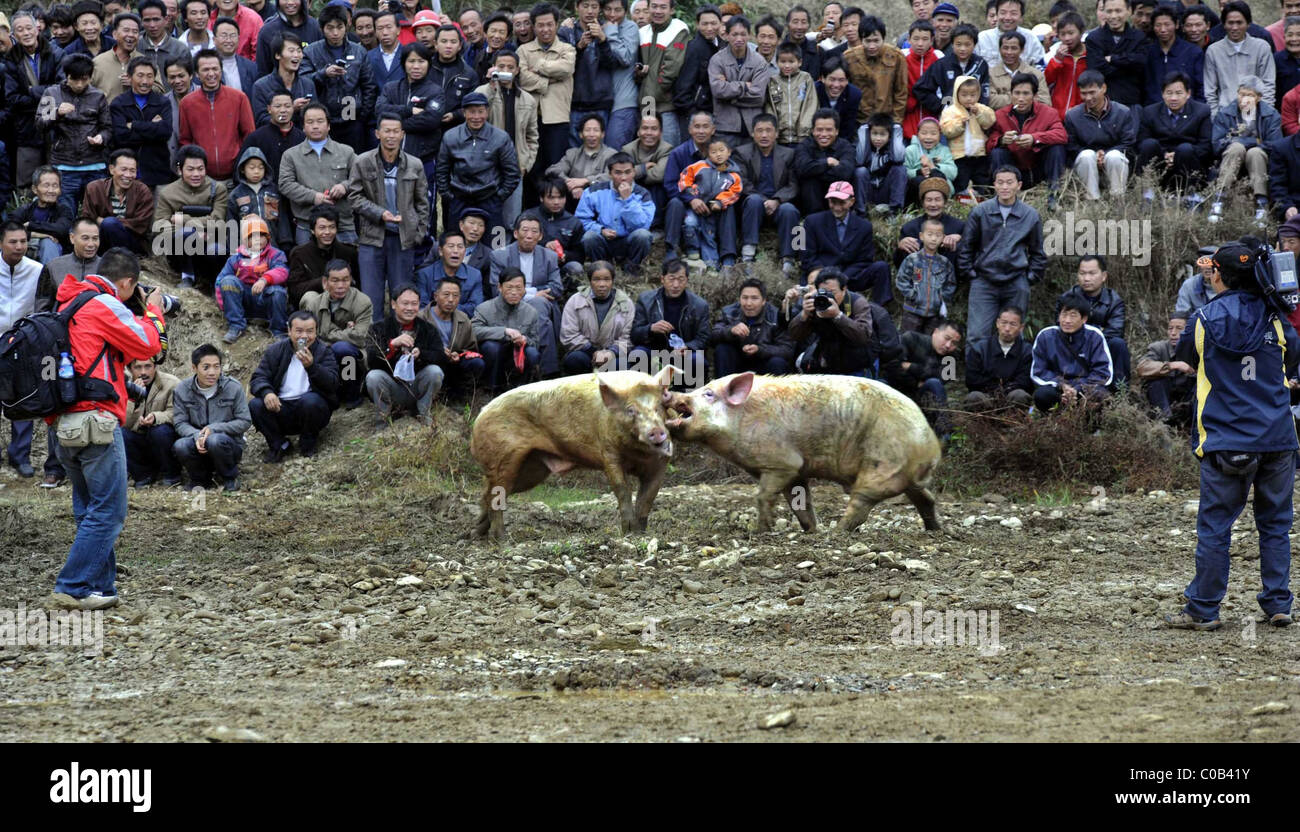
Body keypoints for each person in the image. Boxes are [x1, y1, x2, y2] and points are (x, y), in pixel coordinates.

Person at [1165, 242, 1299, 631]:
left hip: (1226, 440)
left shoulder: (1203, 318)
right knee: (1275, 525)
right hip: (1276, 438)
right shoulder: (1277, 318)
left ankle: (1204, 609)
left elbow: (1186, 360)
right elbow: (1292, 360)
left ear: (1217, 275)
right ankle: (1278, 604)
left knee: (1215, 527)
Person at [45, 247, 163, 611]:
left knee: (90, 509)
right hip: (95, 422)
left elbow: (114, 354)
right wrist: (154, 311)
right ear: (127, 283)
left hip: (64, 422)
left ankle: (100, 586)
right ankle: (73, 585)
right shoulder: (103, 304)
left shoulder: (67, 304)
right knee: (109, 511)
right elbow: (148, 344)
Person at [348, 111, 430, 323]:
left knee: (401, 295)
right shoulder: (362, 161)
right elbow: (354, 197)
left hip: (403, 239)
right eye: (387, 131)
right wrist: (379, 213)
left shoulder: (415, 164)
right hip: (372, 237)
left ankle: (401, 344)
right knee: (371, 297)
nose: (391, 136)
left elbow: (423, 202)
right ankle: (373, 344)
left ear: (402, 134)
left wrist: (418, 232)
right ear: (377, 133)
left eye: (396, 131)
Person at [957, 165, 1046, 342]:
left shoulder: (1030, 215)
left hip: (1016, 282)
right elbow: (966, 247)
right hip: (984, 281)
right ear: (994, 185)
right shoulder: (980, 212)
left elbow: (1038, 252)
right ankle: (977, 370)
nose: (1005, 187)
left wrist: (1029, 278)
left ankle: (1012, 370)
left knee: (1012, 335)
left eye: (1009, 182)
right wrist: (971, 273)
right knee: (977, 335)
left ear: (1019, 185)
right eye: (1000, 182)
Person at [0, 223, 56, 481]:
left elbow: (44, 305)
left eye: (23, 241)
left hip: (21, 344)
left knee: (22, 401)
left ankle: (20, 456)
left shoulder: (37, 270)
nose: (19, 246)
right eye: (13, 241)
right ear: (2, 243)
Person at [248, 309, 339, 462]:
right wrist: (267, 392)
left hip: (311, 409)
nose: (304, 336)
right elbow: (258, 377)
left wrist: (312, 367)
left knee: (310, 401)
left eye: (310, 331)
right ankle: (279, 444)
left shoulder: (324, 351)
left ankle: (308, 442)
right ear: (289, 331)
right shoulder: (276, 350)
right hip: (281, 407)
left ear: (316, 332)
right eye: (299, 331)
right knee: (255, 405)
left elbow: (333, 384)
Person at [437, 91, 522, 238]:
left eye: (480, 112)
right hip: (459, 198)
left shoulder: (500, 137)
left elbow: (512, 173)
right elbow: (442, 170)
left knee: (497, 242)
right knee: (454, 242)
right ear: (464, 113)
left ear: (487, 112)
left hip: (490, 198)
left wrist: (499, 196)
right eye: (472, 112)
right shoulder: (450, 136)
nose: (476, 117)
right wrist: (448, 195)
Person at [786, 266, 897, 377]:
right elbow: (794, 336)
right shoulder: (816, 302)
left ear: (844, 289)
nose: (828, 297)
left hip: (860, 363)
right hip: (830, 362)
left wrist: (838, 316)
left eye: (832, 292)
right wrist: (804, 315)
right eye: (823, 292)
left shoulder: (857, 303)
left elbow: (863, 337)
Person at [488, 213, 563, 375]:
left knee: (541, 305)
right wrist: (531, 294)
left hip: (538, 306)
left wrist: (530, 294)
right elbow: (496, 289)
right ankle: (541, 364)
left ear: (541, 236)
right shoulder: (500, 255)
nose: (529, 235)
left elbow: (557, 288)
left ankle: (534, 361)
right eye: (525, 230)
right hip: (509, 304)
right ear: (515, 233)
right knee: (544, 316)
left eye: (534, 231)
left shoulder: (549, 256)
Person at [37, 54, 111, 215]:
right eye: (74, 79)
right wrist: (57, 113)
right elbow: (39, 124)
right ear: (66, 76)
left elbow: (107, 127)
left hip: (94, 164)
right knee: (65, 213)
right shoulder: (52, 93)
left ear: (91, 77)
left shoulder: (98, 96)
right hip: (64, 164)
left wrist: (101, 137)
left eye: (84, 79)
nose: (79, 84)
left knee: (96, 213)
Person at [364, 282, 446, 428]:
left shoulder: (428, 329)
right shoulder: (378, 328)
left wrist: (421, 354)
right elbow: (371, 360)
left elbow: (440, 356)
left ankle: (423, 412)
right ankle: (383, 417)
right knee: (373, 377)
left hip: (417, 386)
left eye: (414, 304)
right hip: (392, 386)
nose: (410, 308)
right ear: (394, 304)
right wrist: (392, 345)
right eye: (405, 303)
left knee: (435, 372)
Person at [170, 342, 249, 492]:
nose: (212, 372)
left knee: (215, 439)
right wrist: (196, 435)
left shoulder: (233, 387)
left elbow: (245, 421)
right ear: (194, 368)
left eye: (216, 366)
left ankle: (229, 478)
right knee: (180, 445)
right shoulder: (182, 389)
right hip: (198, 442)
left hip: (227, 443)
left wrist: (214, 429)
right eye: (206, 367)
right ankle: (200, 480)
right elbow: (180, 423)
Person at [300, 2, 377, 152]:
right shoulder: (311, 51)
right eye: (330, 28)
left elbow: (369, 86)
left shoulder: (359, 51)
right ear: (322, 29)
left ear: (346, 26)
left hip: (353, 118)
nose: (335, 33)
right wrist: (323, 74)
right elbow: (304, 81)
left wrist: (362, 116)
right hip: (323, 119)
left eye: (339, 27)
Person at [476, 49, 539, 228]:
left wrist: (527, 162)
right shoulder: (483, 92)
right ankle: (488, 253)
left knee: (512, 218)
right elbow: (476, 118)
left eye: (510, 67)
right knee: (487, 216)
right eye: (501, 66)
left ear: (517, 70)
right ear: (493, 67)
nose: (505, 70)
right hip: (487, 165)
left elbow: (532, 135)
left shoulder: (527, 99)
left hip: (515, 165)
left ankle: (507, 253)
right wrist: (491, 86)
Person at [663, 112, 737, 264]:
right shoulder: (679, 153)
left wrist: (718, 200)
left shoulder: (721, 152)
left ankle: (728, 257)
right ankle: (671, 250)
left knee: (728, 206)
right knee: (674, 203)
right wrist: (691, 199)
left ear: (713, 130)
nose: (701, 131)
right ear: (690, 129)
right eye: (697, 127)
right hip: (688, 204)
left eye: (705, 127)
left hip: (714, 202)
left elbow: (732, 180)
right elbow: (670, 185)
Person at [298, 258, 372, 409]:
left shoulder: (362, 302)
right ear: (325, 282)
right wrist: (343, 332)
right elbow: (302, 334)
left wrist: (323, 335)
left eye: (345, 280)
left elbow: (359, 337)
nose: (341, 286)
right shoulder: (314, 304)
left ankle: (352, 394)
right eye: (335, 280)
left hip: (353, 354)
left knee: (342, 349)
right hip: (321, 351)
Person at [800, 180, 891, 303]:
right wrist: (824, 274)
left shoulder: (864, 226)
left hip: (850, 276)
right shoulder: (812, 221)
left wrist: (842, 278)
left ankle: (879, 309)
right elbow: (806, 255)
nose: (837, 207)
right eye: (833, 202)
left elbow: (865, 259)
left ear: (851, 201)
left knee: (882, 268)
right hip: (821, 277)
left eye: (842, 202)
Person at [988, 72, 1067, 210]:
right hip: (1014, 169)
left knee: (1057, 148)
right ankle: (1003, 196)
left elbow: (1062, 135)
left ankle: (1053, 195)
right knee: (997, 153)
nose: (1020, 98)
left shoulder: (1048, 112)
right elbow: (989, 144)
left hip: (1039, 167)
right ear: (1010, 94)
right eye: (1016, 93)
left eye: (1026, 94)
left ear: (1035, 96)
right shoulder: (1000, 115)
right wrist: (1001, 140)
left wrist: (1035, 138)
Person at [153, 145, 228, 290]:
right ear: (179, 170)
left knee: (217, 250)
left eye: (200, 169)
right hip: (179, 247)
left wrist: (184, 220)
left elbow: (218, 221)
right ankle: (187, 276)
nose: (196, 174)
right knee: (185, 235)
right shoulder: (167, 193)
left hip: (210, 241)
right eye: (190, 169)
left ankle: (215, 285)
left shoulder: (218, 189)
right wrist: (195, 231)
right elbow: (160, 226)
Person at [734, 113, 800, 275]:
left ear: (777, 133)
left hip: (779, 204)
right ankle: (748, 253)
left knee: (790, 210)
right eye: (759, 131)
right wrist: (765, 200)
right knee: (754, 200)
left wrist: (777, 200)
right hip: (753, 206)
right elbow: (741, 182)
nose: (764, 135)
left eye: (769, 130)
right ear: (752, 133)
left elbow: (793, 184)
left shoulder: (789, 154)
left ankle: (789, 259)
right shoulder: (742, 153)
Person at [518, 3, 577, 182]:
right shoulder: (523, 50)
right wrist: (549, 80)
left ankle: (555, 208)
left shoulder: (567, 49)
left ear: (556, 24)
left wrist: (537, 66)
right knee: (531, 168)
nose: (545, 29)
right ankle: (531, 209)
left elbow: (566, 68)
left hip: (557, 118)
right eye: (540, 25)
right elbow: (521, 78)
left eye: (549, 24)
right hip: (530, 119)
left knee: (555, 169)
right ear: (534, 26)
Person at [1208, 76, 1280, 223]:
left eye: (1250, 95)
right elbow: (1217, 144)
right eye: (1242, 94)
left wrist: (1247, 144)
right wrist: (1253, 141)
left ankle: (1261, 204)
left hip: (1259, 161)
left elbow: (1275, 145)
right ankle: (1219, 200)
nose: (1245, 99)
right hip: (1232, 157)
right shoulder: (1225, 113)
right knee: (1236, 147)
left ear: (1259, 98)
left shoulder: (1271, 115)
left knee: (1255, 153)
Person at [6, 11, 64, 192]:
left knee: (57, 179)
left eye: (29, 28)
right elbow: (13, 99)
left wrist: (33, 91)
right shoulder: (10, 60)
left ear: (37, 29)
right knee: (26, 182)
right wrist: (46, 94)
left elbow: (62, 88)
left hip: (57, 125)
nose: (25, 33)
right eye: (19, 30)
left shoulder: (56, 53)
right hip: (26, 127)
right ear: (13, 35)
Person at [178, 49, 255, 183]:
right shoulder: (187, 103)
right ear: (197, 74)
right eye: (205, 70)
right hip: (203, 179)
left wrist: (240, 162)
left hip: (235, 177)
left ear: (221, 70)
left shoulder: (239, 98)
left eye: (215, 69)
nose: (211, 74)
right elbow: (185, 140)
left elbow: (249, 135)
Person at [630, 258, 710, 386]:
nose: (676, 285)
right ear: (662, 279)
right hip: (654, 351)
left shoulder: (699, 305)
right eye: (671, 279)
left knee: (697, 360)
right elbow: (634, 334)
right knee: (638, 354)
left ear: (687, 281)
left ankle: (685, 396)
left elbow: (703, 338)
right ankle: (643, 394)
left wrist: (687, 347)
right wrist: (651, 329)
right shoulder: (646, 300)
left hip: (683, 353)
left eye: (681, 279)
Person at [1135, 71, 1213, 201]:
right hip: (1161, 163)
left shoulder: (1202, 111)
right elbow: (1141, 143)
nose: (1173, 98)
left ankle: (1192, 196)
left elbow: (1205, 146)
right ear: (1162, 94)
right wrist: (1166, 155)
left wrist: (1177, 156)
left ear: (1188, 94)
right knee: (1148, 144)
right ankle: (1148, 194)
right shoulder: (1150, 112)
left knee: (1186, 148)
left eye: (1178, 93)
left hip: (1189, 164)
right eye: (1169, 93)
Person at [576, 152, 655, 278]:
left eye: (628, 172)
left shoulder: (643, 194)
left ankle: (631, 270)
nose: (623, 177)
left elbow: (643, 225)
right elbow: (581, 220)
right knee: (589, 237)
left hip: (629, 239)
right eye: (618, 173)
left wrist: (628, 200)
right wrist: (601, 230)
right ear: (610, 174)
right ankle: (602, 268)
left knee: (643, 235)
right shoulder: (593, 191)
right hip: (604, 240)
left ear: (634, 172)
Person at [1029, 294, 1113, 412]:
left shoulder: (1095, 336)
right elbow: (1038, 372)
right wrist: (1062, 385)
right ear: (1058, 316)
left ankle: (1091, 426)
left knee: (1101, 396)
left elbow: (1103, 373)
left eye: (1073, 316)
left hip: (1085, 388)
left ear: (1084, 318)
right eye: (1064, 315)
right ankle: (1055, 423)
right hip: (1058, 389)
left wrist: (1078, 389)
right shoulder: (1045, 336)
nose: (1067, 321)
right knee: (1042, 395)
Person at [1056, 254, 1130, 387]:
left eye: (1092, 273)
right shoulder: (1067, 298)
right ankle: (1061, 385)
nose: (1086, 278)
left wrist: (1090, 341)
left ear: (1104, 276)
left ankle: (1119, 391)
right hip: (1072, 345)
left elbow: (1115, 332)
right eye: (1082, 273)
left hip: (1101, 347)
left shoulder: (1114, 301)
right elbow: (1060, 327)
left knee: (1118, 344)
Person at [1064, 70, 1137, 201]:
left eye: (1092, 92)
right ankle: (1092, 200)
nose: (1087, 98)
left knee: (1114, 156)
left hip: (1114, 162)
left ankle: (1117, 199)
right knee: (1086, 155)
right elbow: (1071, 146)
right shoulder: (1072, 116)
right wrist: (1094, 155)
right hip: (1087, 165)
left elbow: (1129, 143)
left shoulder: (1122, 112)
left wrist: (1105, 154)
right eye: (1083, 93)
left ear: (1103, 88)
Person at [216, 214, 289, 343]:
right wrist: (225, 305)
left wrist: (265, 279)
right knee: (228, 281)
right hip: (243, 301)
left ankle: (278, 331)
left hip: (265, 300)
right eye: (252, 236)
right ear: (245, 239)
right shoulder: (236, 258)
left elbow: (282, 271)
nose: (257, 240)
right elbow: (219, 281)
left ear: (268, 237)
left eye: (261, 235)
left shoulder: (276, 254)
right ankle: (236, 326)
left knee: (278, 292)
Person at [887, 320, 962, 438]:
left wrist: (911, 366)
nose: (948, 345)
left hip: (923, 399)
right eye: (946, 338)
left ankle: (944, 433)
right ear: (936, 332)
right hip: (896, 391)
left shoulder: (952, 357)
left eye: (954, 343)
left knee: (934, 383)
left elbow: (942, 380)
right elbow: (893, 366)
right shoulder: (910, 338)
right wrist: (916, 382)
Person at [472, 267, 541, 392]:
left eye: (519, 288)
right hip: (493, 356)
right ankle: (491, 389)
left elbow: (535, 341)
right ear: (500, 287)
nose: (514, 292)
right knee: (491, 347)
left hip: (515, 356)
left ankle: (521, 390)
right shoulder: (484, 308)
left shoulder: (531, 312)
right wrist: (504, 331)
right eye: (509, 287)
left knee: (532, 353)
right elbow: (474, 331)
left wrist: (524, 339)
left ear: (525, 289)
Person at [559, 260, 635, 374]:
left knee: (622, 365)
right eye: (596, 279)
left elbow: (628, 337)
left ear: (612, 281)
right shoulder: (575, 301)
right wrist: (593, 352)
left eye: (606, 279)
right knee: (574, 360)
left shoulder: (626, 303)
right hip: (585, 352)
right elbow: (569, 335)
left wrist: (611, 352)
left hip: (613, 355)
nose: (602, 284)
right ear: (590, 281)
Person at [108, 57, 174, 189]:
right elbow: (121, 137)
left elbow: (165, 132)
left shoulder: (162, 102)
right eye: (140, 76)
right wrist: (153, 128)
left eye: (150, 76)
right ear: (130, 77)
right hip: (129, 172)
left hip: (158, 171)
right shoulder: (119, 103)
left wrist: (134, 125)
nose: (145, 81)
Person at [677, 137, 742, 269]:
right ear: (707, 154)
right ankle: (692, 250)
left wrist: (720, 201)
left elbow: (735, 192)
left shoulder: (734, 175)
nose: (718, 154)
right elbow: (684, 178)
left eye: (721, 150)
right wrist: (692, 194)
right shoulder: (699, 166)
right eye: (713, 152)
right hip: (696, 206)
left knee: (709, 235)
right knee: (690, 223)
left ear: (729, 152)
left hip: (713, 210)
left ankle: (711, 265)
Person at [560, 0, 617, 150]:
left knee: (600, 150)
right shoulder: (567, 30)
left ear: (600, 9)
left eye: (594, 7)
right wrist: (579, 47)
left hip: (601, 101)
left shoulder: (608, 28)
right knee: (574, 150)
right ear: (577, 7)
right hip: (575, 103)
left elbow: (612, 64)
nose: (590, 11)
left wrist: (603, 40)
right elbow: (565, 67)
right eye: (585, 6)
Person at [709, 276, 793, 376]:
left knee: (778, 362)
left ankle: (775, 392)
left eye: (754, 298)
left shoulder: (775, 316)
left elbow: (787, 349)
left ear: (763, 301)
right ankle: (724, 390)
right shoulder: (729, 312)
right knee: (722, 349)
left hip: (764, 363)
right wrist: (731, 331)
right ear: (739, 299)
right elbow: (712, 336)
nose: (748, 303)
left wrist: (760, 350)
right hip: (736, 361)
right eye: (745, 298)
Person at [708, 15, 771, 147]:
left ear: (749, 36)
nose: (739, 39)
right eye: (734, 34)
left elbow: (759, 96)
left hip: (751, 127)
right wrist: (744, 86)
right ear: (727, 35)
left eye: (743, 34)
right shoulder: (717, 60)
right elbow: (718, 91)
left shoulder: (759, 62)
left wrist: (730, 97)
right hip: (725, 127)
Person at [1204, 1, 1275, 116]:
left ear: (1248, 24)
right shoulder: (1214, 51)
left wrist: (1264, 115)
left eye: (1239, 23)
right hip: (1225, 114)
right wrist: (1216, 117)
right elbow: (1210, 91)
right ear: (1224, 24)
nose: (1235, 27)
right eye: (1230, 23)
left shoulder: (1262, 47)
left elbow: (1268, 85)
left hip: (1256, 113)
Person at [419, 278, 486, 399]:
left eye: (455, 296)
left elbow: (471, 348)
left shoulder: (463, 318)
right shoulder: (422, 318)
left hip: (453, 364)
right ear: (435, 296)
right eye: (446, 295)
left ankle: (460, 398)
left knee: (476, 363)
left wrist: (459, 354)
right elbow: (414, 347)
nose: (450, 300)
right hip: (430, 363)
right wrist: (437, 351)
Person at [637, 0, 690, 148]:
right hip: (647, 102)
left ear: (671, 10)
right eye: (654, 6)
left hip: (665, 104)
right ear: (648, 8)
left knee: (668, 150)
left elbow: (670, 70)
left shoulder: (678, 30)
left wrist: (649, 99)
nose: (658, 11)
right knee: (647, 150)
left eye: (663, 7)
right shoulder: (643, 32)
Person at [286, 204, 359, 309]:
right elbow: (294, 291)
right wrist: (323, 282)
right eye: (322, 228)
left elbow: (357, 284)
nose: (327, 232)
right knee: (310, 297)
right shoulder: (299, 253)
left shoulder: (348, 252)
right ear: (312, 230)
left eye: (332, 227)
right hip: (313, 308)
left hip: (342, 302)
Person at [122, 355, 180, 488]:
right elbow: (123, 422)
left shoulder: (172, 383)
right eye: (138, 367)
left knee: (160, 431)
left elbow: (177, 414)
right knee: (120, 433)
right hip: (139, 438)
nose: (143, 372)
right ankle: (143, 476)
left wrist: (156, 418)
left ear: (155, 367)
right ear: (130, 369)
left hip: (163, 440)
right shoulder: (124, 386)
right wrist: (133, 398)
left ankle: (171, 475)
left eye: (148, 366)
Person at [963, 304, 1033, 409]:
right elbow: (972, 380)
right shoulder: (980, 348)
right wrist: (995, 390)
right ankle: (982, 423)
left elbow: (1025, 381)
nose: (1007, 328)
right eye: (1004, 323)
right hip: (986, 396)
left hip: (1012, 397)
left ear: (1021, 327)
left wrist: (1005, 391)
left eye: (1013, 324)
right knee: (974, 397)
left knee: (1020, 395)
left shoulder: (1027, 351)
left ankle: (1012, 423)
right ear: (997, 323)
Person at [841, 15, 907, 127]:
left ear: (883, 38)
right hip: (858, 120)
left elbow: (901, 92)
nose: (872, 46)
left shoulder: (896, 56)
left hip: (886, 121)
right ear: (861, 40)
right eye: (867, 41)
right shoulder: (849, 58)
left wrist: (896, 122)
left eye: (876, 41)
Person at [915, 22, 988, 121]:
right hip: (949, 120)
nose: (963, 49)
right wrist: (942, 106)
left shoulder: (981, 64)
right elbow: (921, 89)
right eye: (958, 44)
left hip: (975, 117)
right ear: (952, 44)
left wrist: (980, 109)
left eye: (967, 45)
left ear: (974, 44)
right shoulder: (942, 65)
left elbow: (985, 91)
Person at [896, 216, 956, 334]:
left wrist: (941, 299)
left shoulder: (944, 263)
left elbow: (950, 284)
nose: (933, 239)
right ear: (921, 236)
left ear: (943, 238)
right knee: (907, 340)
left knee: (928, 343)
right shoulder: (912, 259)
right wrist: (913, 295)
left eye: (938, 236)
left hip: (934, 313)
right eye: (929, 235)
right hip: (912, 310)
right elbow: (901, 279)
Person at [793, 107, 856, 216]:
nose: (823, 134)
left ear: (836, 131)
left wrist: (814, 170)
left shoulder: (845, 146)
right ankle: (813, 220)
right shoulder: (804, 145)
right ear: (813, 131)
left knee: (812, 177)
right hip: (810, 201)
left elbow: (846, 173)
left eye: (829, 130)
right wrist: (828, 162)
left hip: (837, 198)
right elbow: (801, 169)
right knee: (809, 182)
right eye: (819, 129)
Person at [543, 112, 612, 210]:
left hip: (601, 203)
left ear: (603, 134)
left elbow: (612, 176)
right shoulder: (572, 154)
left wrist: (585, 181)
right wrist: (570, 184)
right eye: (587, 130)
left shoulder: (610, 154)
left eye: (596, 130)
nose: (591, 134)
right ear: (580, 134)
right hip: (573, 202)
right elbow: (552, 170)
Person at [940, 74, 996, 197]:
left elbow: (990, 121)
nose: (969, 99)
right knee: (961, 178)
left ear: (978, 94)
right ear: (956, 94)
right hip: (959, 154)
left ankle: (983, 196)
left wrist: (979, 113)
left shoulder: (982, 108)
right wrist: (959, 124)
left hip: (979, 153)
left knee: (981, 177)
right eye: (964, 95)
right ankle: (960, 198)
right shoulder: (950, 111)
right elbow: (946, 130)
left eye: (973, 95)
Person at [1136, 315, 1196, 425]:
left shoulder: (1197, 351)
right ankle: (1165, 422)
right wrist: (1172, 365)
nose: (1173, 333)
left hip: (1187, 402)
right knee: (1155, 382)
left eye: (1179, 328)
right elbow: (1142, 367)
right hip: (1162, 402)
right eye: (1170, 328)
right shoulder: (1158, 348)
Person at [1086, 0, 1146, 107]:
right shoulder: (1093, 39)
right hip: (1104, 103)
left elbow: (1140, 62)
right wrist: (1128, 65)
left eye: (1118, 11)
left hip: (1132, 101)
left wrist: (1113, 59)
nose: (1113, 16)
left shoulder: (1139, 37)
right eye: (1109, 11)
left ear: (1129, 11)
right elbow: (1096, 70)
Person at [7, 167, 73, 264]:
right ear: (35, 189)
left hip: (57, 254)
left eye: (55, 186)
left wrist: (30, 225)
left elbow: (61, 229)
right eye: (46, 185)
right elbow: (8, 230)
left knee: (48, 243)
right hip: (26, 250)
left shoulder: (64, 210)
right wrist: (37, 234)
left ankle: (49, 278)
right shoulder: (24, 210)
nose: (51, 190)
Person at [895, 177, 964, 268]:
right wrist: (900, 247)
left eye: (937, 200)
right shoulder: (909, 228)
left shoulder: (958, 226)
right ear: (922, 203)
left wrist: (961, 240)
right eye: (929, 200)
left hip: (948, 278)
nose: (933, 204)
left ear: (945, 202)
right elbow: (899, 263)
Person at [1144, 3, 1204, 105]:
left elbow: (1200, 87)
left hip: (1187, 110)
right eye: (1158, 25)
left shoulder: (1193, 52)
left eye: (1167, 24)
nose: (1163, 30)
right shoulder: (1147, 52)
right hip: (1154, 111)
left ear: (1176, 25)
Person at [602, 0, 642, 149]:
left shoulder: (630, 27)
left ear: (625, 11)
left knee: (615, 149)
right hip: (602, 101)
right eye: (608, 9)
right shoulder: (601, 25)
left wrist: (611, 33)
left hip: (624, 102)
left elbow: (625, 58)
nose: (612, 15)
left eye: (617, 10)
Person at [416, 228, 484, 312]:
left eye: (460, 247)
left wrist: (445, 307)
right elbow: (422, 307)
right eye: (451, 246)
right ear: (440, 251)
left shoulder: (474, 275)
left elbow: (476, 308)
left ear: (465, 251)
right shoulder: (424, 275)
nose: (456, 251)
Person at [621, 113, 671, 225]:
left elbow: (658, 175)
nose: (649, 133)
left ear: (661, 132)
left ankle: (654, 223)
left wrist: (634, 174)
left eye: (654, 129)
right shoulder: (628, 150)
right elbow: (622, 176)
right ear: (638, 132)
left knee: (658, 185)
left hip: (655, 192)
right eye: (645, 128)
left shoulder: (666, 149)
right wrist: (643, 169)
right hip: (632, 191)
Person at [765, 41, 817, 147]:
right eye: (783, 61)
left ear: (799, 62)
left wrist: (804, 128)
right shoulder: (773, 81)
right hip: (779, 137)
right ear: (777, 62)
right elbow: (770, 106)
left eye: (791, 61)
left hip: (802, 136)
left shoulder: (805, 78)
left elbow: (811, 104)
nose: (787, 65)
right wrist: (774, 128)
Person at [854, 111, 906, 215]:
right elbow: (860, 161)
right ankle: (861, 212)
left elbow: (898, 158)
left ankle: (895, 212)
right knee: (860, 171)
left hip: (885, 191)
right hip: (869, 192)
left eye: (882, 134)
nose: (878, 138)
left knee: (900, 169)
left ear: (890, 136)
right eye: (874, 133)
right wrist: (863, 130)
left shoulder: (892, 149)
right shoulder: (865, 147)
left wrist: (896, 129)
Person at [254, 0, 321, 76]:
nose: (290, 2)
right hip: (278, 85)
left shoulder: (315, 27)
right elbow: (263, 70)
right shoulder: (267, 31)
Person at [986, 30, 1049, 111]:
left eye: (1014, 48)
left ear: (1022, 50)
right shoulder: (990, 74)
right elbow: (990, 101)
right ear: (999, 49)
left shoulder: (1035, 74)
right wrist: (1026, 98)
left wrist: (1004, 97)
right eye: (1005, 48)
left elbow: (1045, 102)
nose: (1009, 52)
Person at [91, 11, 144, 103]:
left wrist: (138, 84)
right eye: (126, 30)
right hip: (106, 115)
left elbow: (160, 91)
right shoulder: (98, 62)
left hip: (138, 116)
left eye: (135, 31)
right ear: (114, 34)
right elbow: (87, 92)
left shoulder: (145, 62)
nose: (131, 35)